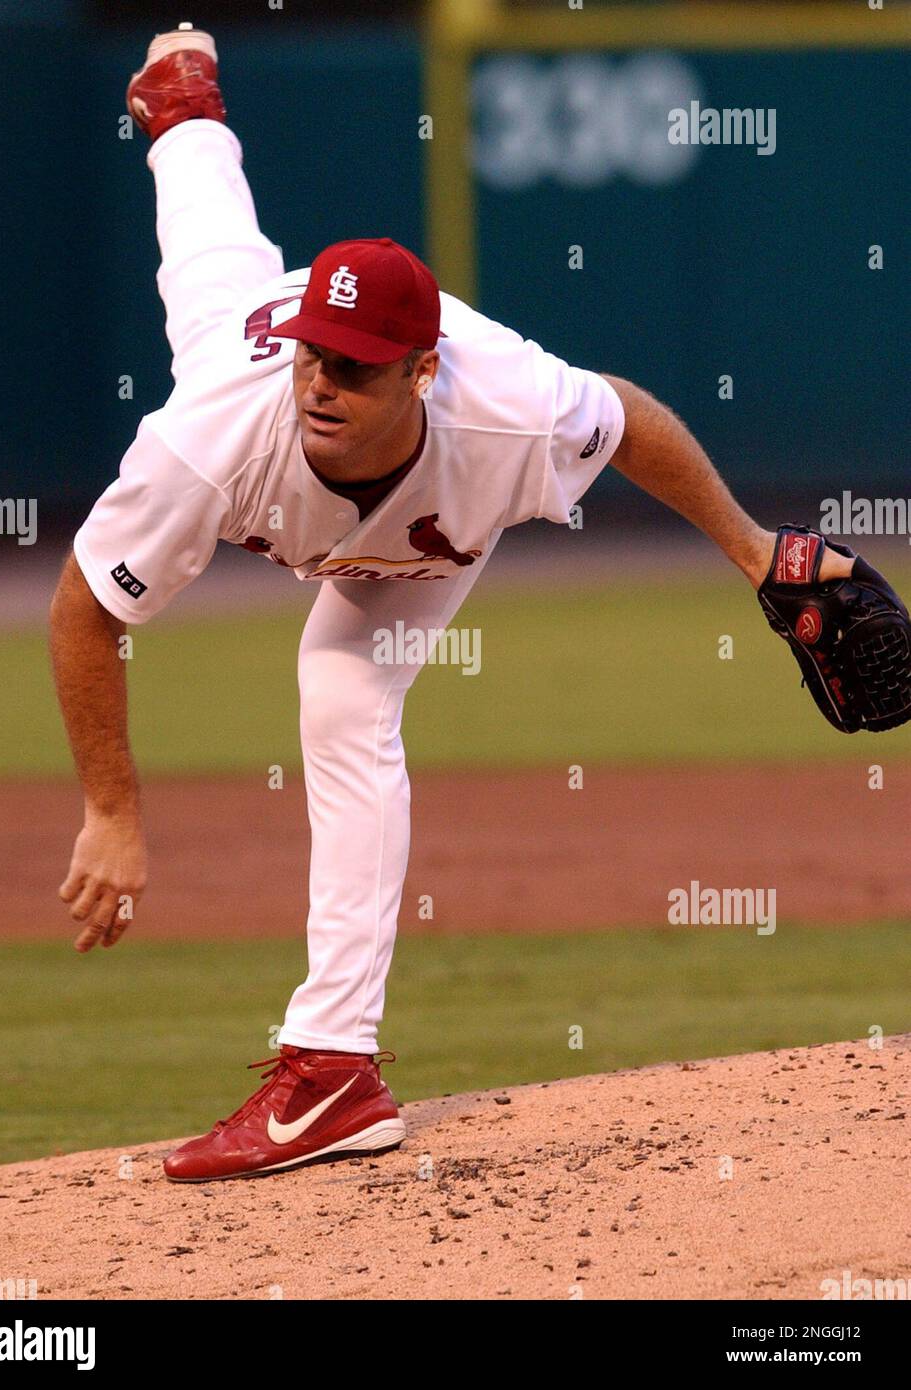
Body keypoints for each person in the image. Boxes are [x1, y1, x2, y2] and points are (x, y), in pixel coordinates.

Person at [49, 25, 855, 1182]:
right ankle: (185, 107)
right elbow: (86, 610)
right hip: (238, 388)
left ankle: (330, 1071)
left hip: (422, 538)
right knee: (213, 275)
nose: (324, 382)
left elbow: (625, 420)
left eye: (355, 366)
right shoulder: (212, 437)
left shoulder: (506, 410)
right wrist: (113, 812)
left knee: (339, 698)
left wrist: (752, 550)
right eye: (316, 356)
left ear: (421, 370)